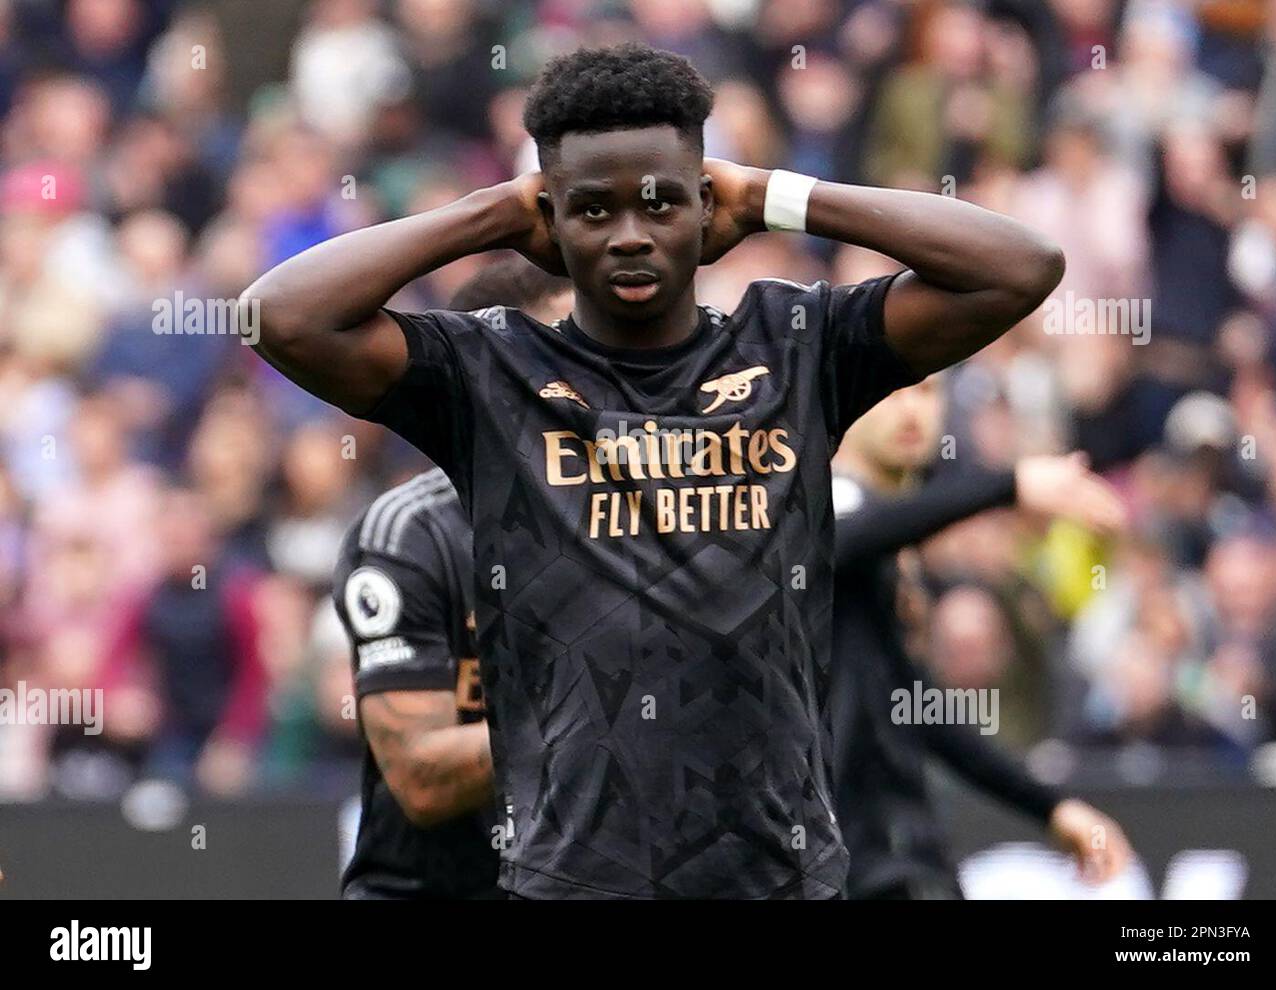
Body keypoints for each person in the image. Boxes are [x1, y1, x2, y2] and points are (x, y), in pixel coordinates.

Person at [243, 42, 1064, 899]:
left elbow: (1021, 267)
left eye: (662, 203)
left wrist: (775, 196)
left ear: (708, 206)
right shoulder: (489, 371)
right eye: (591, 211)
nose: (630, 235)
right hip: (571, 882)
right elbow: (278, 316)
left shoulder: (796, 345)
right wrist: (494, 211)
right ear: (551, 221)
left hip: (777, 879)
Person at [829, 376, 1133, 899]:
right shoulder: (817, 500)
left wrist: (1048, 805)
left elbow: (917, 708)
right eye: (890, 391)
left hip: (897, 853)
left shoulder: (888, 545)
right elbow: (851, 529)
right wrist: (1008, 486)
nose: (910, 411)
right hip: (844, 859)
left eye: (925, 392)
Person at [335, 258, 573, 900]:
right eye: (564, 356)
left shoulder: (640, 516)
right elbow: (419, 777)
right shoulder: (409, 534)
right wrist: (598, 721)